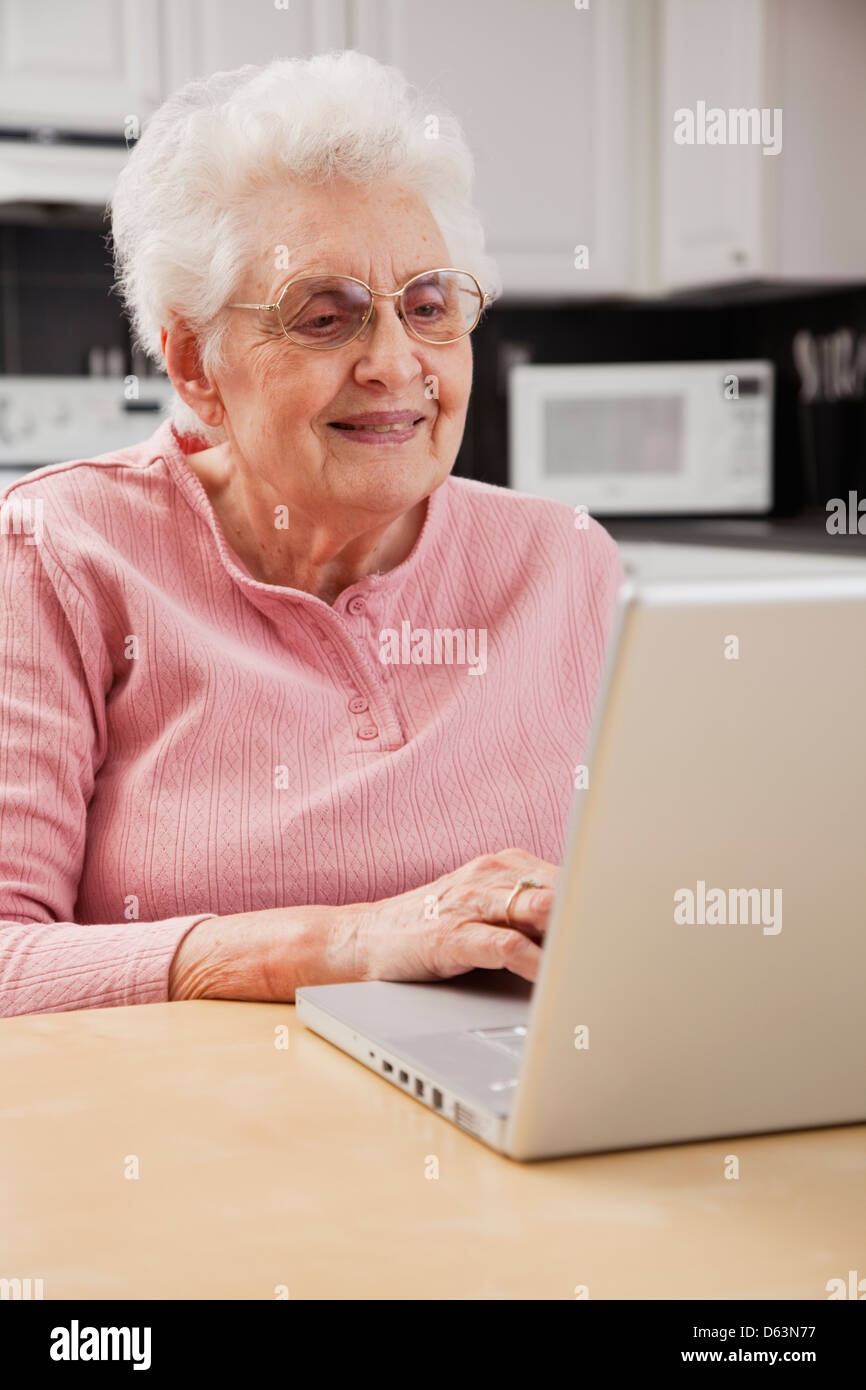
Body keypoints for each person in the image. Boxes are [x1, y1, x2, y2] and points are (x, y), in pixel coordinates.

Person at [0, 51, 622, 1017]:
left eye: (427, 307)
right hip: (199, 1137)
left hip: (507, 1114)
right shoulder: (59, 550)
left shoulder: (565, 560)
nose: (394, 364)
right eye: (324, 318)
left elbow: (661, 910)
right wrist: (347, 941)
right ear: (197, 362)